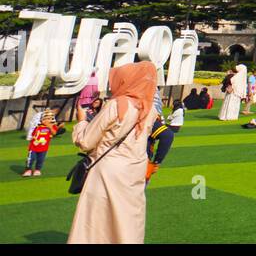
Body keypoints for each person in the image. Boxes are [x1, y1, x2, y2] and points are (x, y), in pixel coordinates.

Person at [69, 60, 156, 244]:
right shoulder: (151, 109)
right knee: (128, 219)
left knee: (96, 221)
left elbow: (85, 141)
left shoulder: (117, 105)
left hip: (108, 170)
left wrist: (82, 121)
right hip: (135, 169)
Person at [146, 100, 185, 181]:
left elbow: (169, 118)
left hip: (116, 161)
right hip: (140, 162)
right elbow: (167, 135)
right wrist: (157, 162)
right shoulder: (145, 111)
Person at [23, 111, 57, 177]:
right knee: (31, 158)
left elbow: (54, 133)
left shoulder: (52, 127)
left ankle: (37, 169)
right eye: (47, 118)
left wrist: (49, 127)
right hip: (34, 147)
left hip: (44, 148)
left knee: (41, 159)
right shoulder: (37, 127)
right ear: (42, 119)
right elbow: (33, 135)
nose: (48, 120)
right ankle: (28, 169)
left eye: (50, 118)